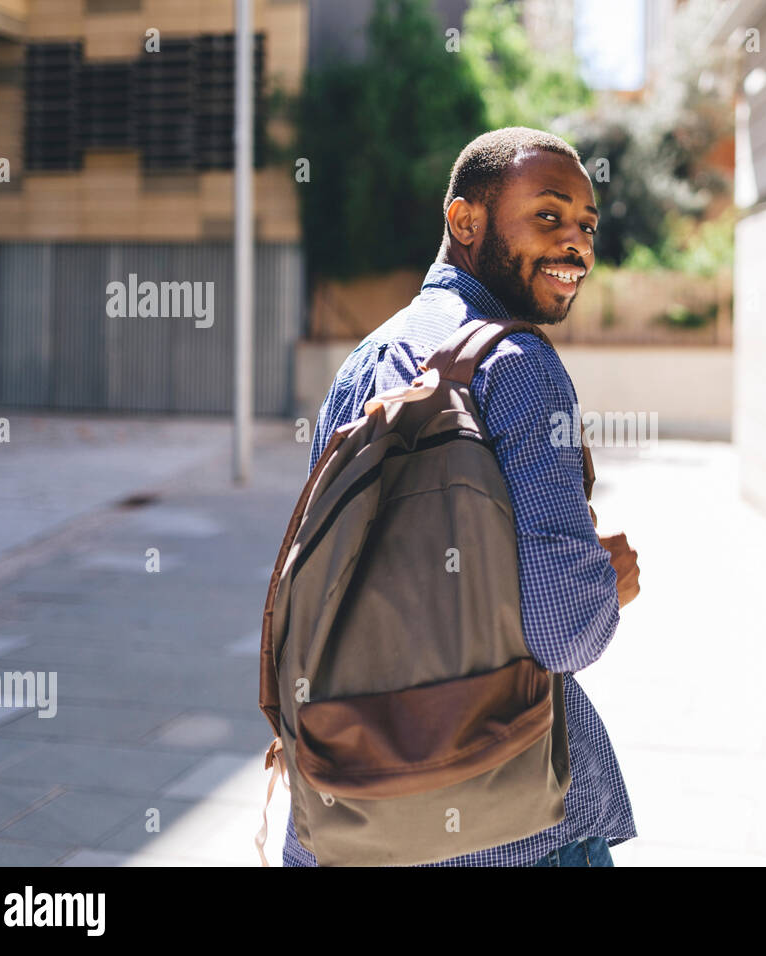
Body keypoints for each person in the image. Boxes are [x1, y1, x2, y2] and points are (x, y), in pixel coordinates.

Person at [283, 127, 641, 867]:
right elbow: (563, 632)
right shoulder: (519, 365)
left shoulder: (365, 362)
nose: (576, 243)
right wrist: (603, 582)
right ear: (465, 221)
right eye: (548, 215)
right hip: (513, 823)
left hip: (357, 801)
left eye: (586, 225)